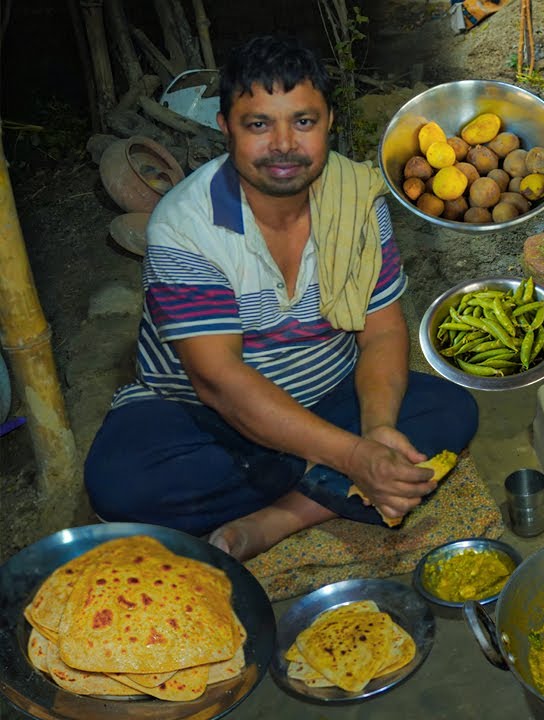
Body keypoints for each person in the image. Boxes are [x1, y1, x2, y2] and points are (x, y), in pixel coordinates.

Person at [84, 36, 479, 561]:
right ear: (225, 127)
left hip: (329, 391)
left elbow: (382, 331)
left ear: (329, 122)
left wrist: (378, 427)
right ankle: (336, 482)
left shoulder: (355, 201)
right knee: (120, 483)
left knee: (451, 410)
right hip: (204, 413)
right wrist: (355, 455)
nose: (284, 145)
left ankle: (275, 519)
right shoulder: (186, 228)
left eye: (303, 121)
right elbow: (219, 383)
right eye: (258, 124)